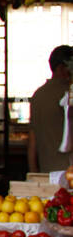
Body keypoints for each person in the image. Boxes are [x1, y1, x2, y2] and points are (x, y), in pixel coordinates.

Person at [28, 45, 73, 174]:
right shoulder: (68, 93)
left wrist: (34, 174)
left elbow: (32, 141)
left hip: (47, 174)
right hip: (69, 176)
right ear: (63, 68)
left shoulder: (38, 95)